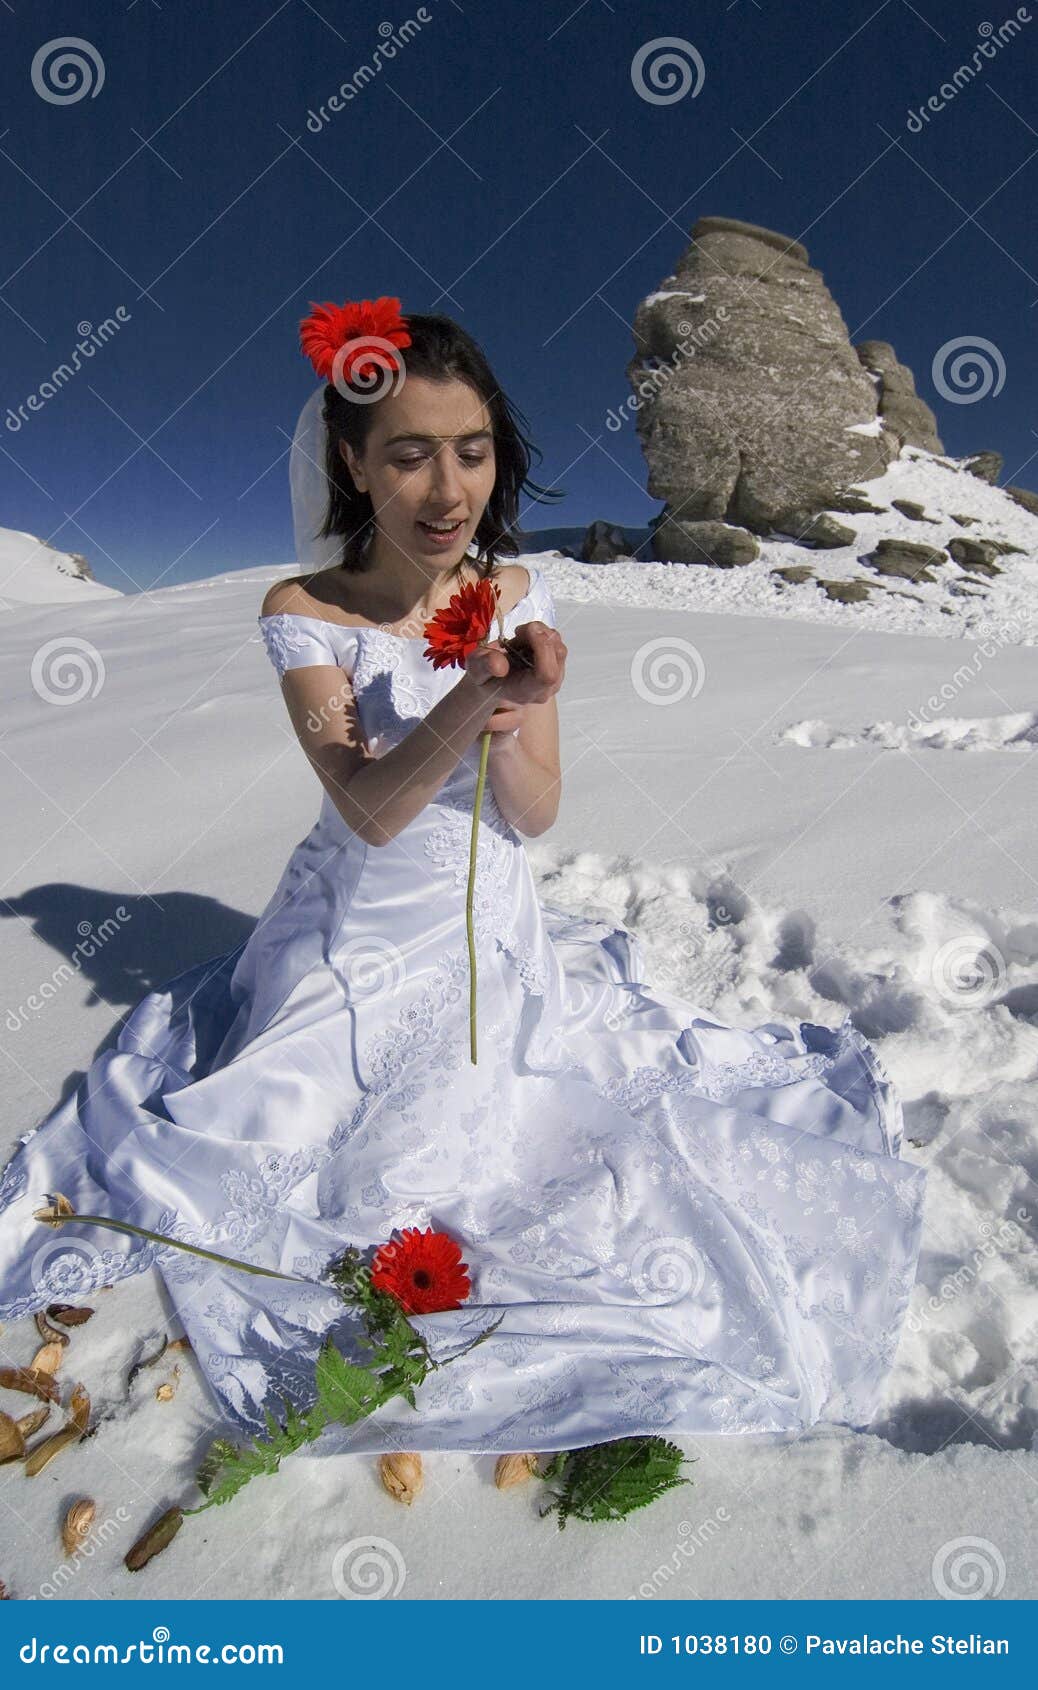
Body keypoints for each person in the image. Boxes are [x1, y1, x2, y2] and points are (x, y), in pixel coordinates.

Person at [0, 296, 927, 1492]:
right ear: (352, 464)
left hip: (495, 929)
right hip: (352, 942)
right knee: (328, 1166)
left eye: (473, 451)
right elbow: (367, 808)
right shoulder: (305, 614)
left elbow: (533, 814)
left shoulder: (520, 592)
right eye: (409, 455)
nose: (449, 491)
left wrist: (524, 702)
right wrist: (467, 701)